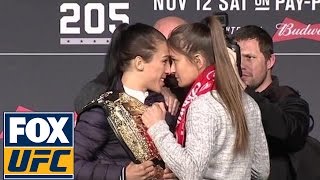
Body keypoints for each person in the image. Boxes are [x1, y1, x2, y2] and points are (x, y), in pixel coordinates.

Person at [141, 16, 270, 179]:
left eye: (174, 60)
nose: (171, 70)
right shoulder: (249, 103)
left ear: (198, 60)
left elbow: (191, 173)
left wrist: (158, 127)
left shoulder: (203, 105)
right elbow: (261, 171)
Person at [74, 23, 177, 180]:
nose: (169, 70)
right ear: (139, 63)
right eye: (164, 61)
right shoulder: (102, 111)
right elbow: (67, 164)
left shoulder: (165, 105)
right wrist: (122, 174)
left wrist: (172, 171)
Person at [233, 25, 311, 180]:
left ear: (270, 61)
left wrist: (243, 92)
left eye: (250, 58)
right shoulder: (225, 100)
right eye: (238, 58)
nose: (242, 66)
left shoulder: (289, 100)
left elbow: (289, 133)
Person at [74, 16, 186, 115]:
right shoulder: (104, 89)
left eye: (174, 59)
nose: (170, 70)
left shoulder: (188, 87)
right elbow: (85, 103)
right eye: (165, 60)